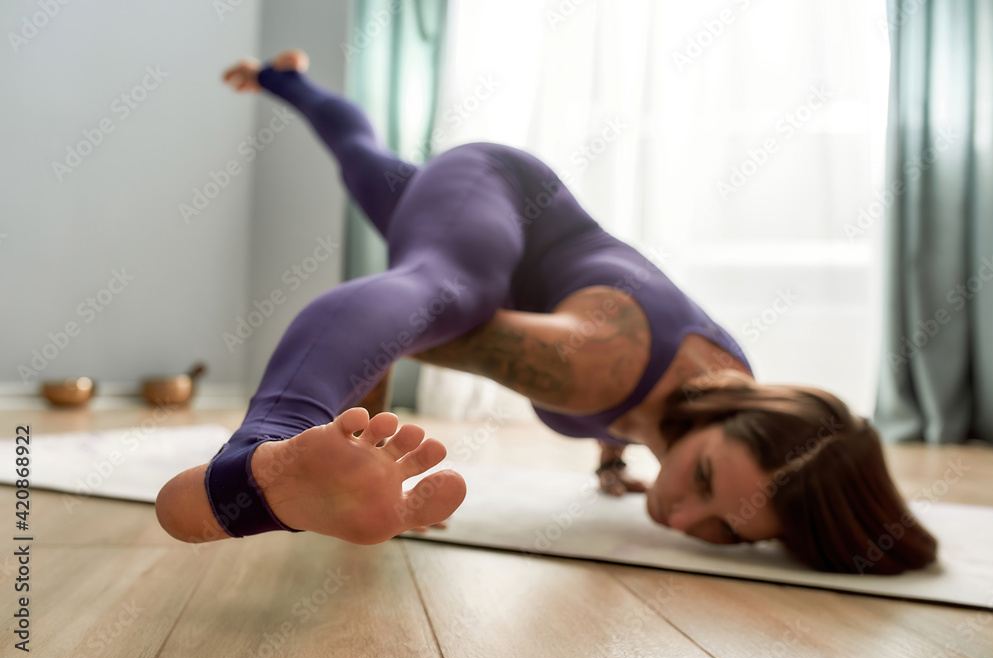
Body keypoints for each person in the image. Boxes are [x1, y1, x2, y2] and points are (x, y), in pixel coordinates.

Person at [155, 50, 937, 575]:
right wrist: (345, 439)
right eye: (699, 477)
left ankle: (287, 78)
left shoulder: (748, 404)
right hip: (494, 192)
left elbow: (653, 415)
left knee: (366, 165)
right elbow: (399, 328)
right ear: (733, 413)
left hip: (500, 211)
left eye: (725, 530)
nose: (681, 513)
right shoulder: (598, 366)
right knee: (440, 291)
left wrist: (615, 459)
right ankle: (252, 457)